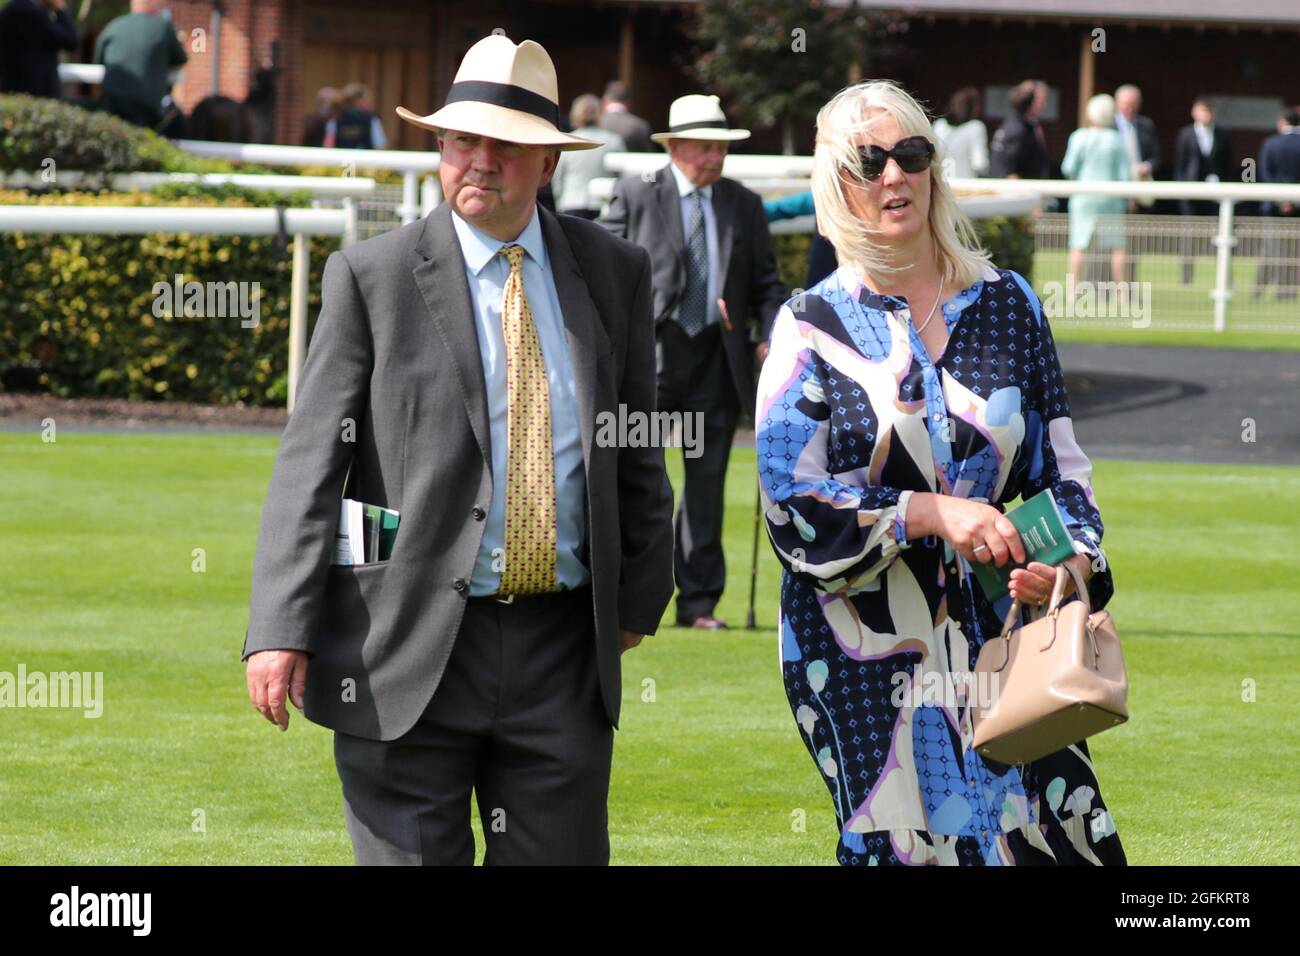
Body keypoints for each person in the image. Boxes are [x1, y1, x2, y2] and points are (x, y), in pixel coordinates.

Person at [242, 33, 674, 866]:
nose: (479, 161)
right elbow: (311, 466)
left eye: (504, 146)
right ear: (438, 147)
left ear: (546, 163)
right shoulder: (371, 276)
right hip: (401, 644)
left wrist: (635, 601)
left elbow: (638, 442)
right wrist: (278, 627)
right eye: (461, 140)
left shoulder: (614, 271)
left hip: (563, 651)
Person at [755, 79, 1126, 866]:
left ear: (934, 166)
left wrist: (1065, 559)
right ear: (837, 184)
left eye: (911, 154)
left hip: (1010, 646)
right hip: (864, 656)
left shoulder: (1010, 304)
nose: (894, 176)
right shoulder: (809, 327)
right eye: (869, 161)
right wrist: (927, 513)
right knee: (909, 848)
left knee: (1046, 839)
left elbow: (1060, 473)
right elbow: (790, 503)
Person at [600, 93, 786, 629]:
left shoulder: (742, 204)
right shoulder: (637, 192)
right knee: (639, 480)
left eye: (721, 148)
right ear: (676, 147)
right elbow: (604, 269)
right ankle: (630, 600)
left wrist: (771, 333)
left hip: (715, 361)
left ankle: (699, 604)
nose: (715, 157)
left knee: (706, 489)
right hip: (648, 360)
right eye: (705, 147)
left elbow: (768, 285)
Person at [1061, 93, 1131, 285]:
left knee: (1078, 244)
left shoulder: (1079, 137)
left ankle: (1072, 291)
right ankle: (1121, 292)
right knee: (1117, 246)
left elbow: (1068, 168)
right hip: (1111, 199)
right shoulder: (1116, 139)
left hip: (1083, 198)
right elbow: (1126, 175)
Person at [94, 0, 187, 129]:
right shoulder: (163, 26)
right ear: (151, 4)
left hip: (111, 106)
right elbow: (180, 59)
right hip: (148, 110)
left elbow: (99, 59)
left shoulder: (113, 26)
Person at [1174, 97, 1232, 284]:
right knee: (1189, 236)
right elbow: (1180, 164)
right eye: (1202, 111)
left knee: (1220, 235)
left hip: (1215, 193)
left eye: (1209, 111)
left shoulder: (1223, 134)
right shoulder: (1185, 134)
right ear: (1194, 113)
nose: (1206, 116)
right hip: (1191, 193)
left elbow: (1228, 163)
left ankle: (1223, 277)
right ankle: (1186, 277)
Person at [551, 93, 625, 219]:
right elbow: (621, 175)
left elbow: (557, 177)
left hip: (571, 203)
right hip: (603, 204)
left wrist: (558, 201)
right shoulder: (614, 141)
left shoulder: (568, 141)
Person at [1113, 84, 1160, 280]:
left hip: (1140, 189)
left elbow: (1156, 155)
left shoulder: (1146, 125)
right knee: (1111, 242)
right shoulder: (1108, 126)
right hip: (1114, 192)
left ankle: (1129, 285)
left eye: (1132, 104)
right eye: (1125, 104)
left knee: (1133, 242)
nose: (1129, 108)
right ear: (1117, 104)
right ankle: (1102, 287)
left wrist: (1147, 166)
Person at [1255, 106, 1300, 299]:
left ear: (1282, 122)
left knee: (1272, 249)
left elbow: (1265, 174)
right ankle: (1285, 290)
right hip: (1297, 206)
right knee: (1293, 250)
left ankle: (1259, 290)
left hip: (1273, 207)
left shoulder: (1270, 143)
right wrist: (1292, 201)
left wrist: (1281, 200)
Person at [0, 0, 77, 99]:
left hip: (17, 91)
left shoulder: (12, 9)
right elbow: (70, 41)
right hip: (34, 93)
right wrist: (60, 8)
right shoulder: (29, 11)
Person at [988, 79, 1049, 181]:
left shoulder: (1023, 124)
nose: (1044, 104)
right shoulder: (1018, 129)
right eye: (1040, 99)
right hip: (1018, 193)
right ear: (1028, 100)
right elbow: (1008, 172)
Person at [931, 86, 988, 179]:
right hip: (965, 186)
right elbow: (980, 164)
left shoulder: (939, 125)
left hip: (941, 185)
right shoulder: (976, 127)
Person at [325, 82, 387, 149]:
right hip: (364, 159)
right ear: (357, 101)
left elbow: (328, 147)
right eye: (367, 99)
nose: (369, 102)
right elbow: (380, 145)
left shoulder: (336, 119)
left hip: (341, 158)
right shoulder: (372, 120)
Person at [599, 80, 654, 152]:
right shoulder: (640, 126)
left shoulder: (595, 124)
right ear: (629, 102)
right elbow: (648, 156)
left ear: (604, 101)